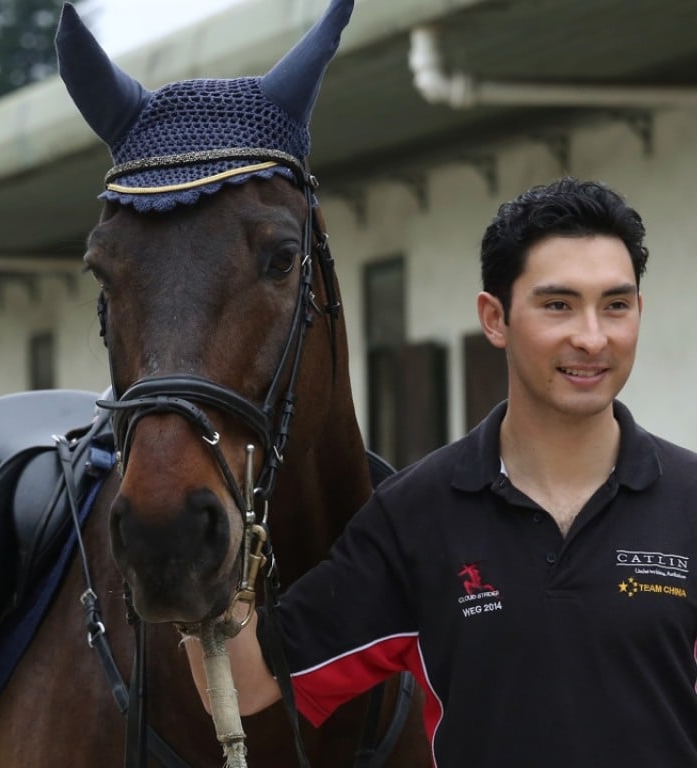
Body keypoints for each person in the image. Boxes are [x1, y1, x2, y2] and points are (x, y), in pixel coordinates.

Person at [186, 177, 697, 766]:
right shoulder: (415, 516)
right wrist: (190, 554)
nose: (591, 336)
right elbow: (249, 684)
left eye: (616, 305)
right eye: (558, 304)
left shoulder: (689, 502)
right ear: (495, 318)